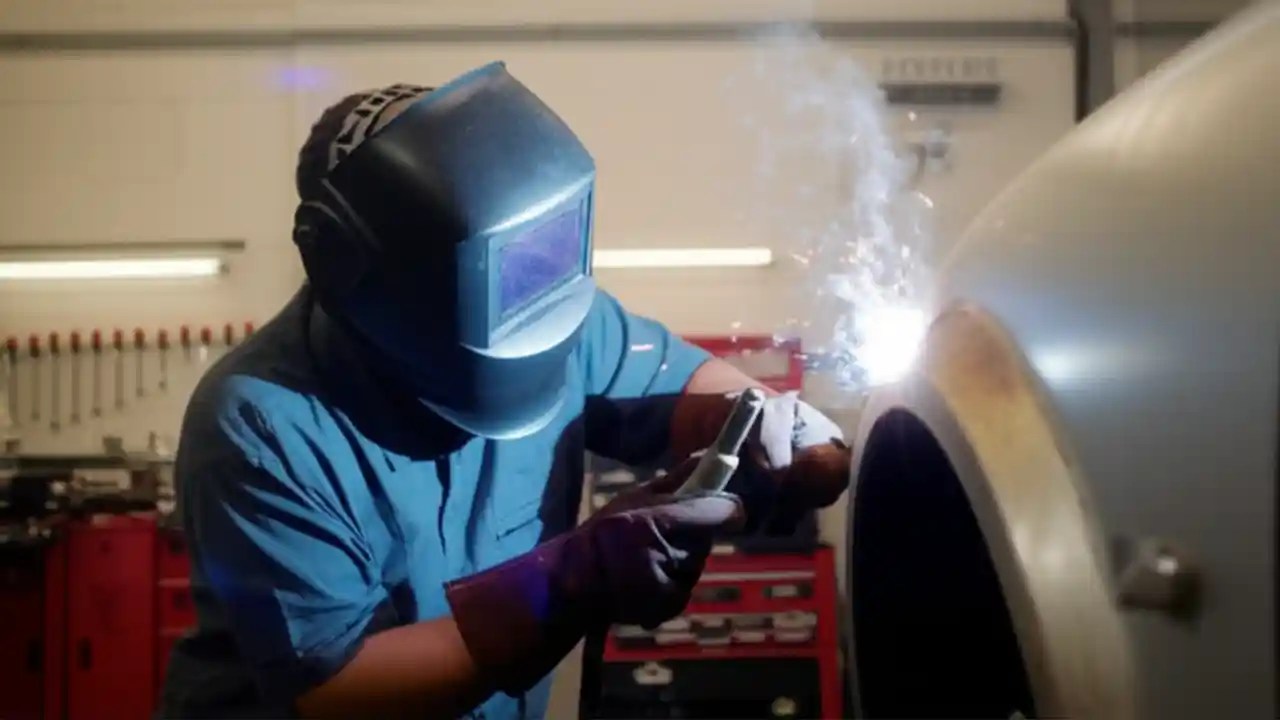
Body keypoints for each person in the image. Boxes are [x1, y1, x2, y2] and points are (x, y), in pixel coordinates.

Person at [160, 63, 851, 720]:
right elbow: (342, 691)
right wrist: (567, 583)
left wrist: (776, 428)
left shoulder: (553, 306)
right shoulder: (262, 423)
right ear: (371, 274)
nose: (518, 302)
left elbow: (698, 393)